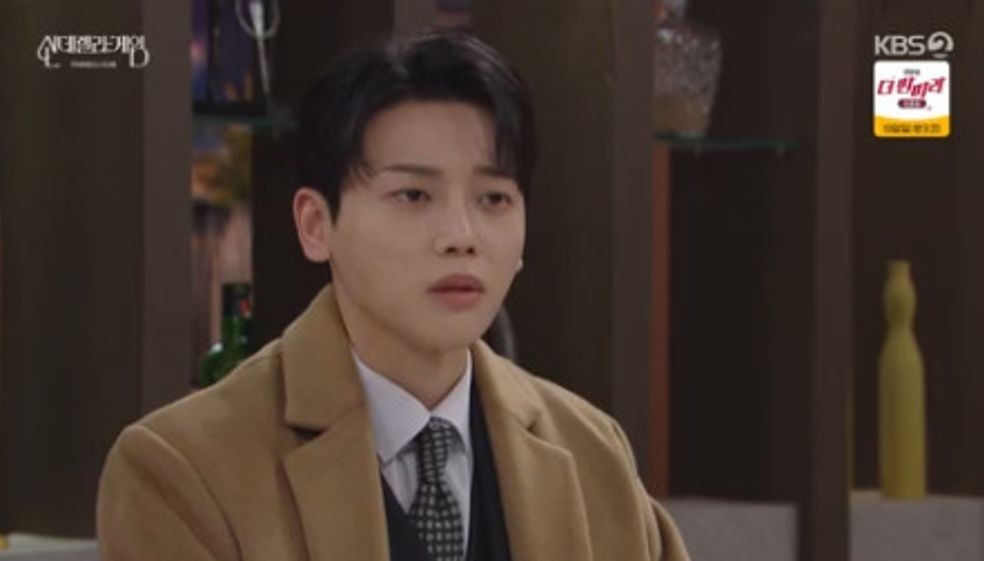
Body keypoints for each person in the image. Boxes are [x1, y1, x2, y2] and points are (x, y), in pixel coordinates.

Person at [97, 31, 689, 561]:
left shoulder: (593, 453)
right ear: (315, 224)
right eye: (413, 195)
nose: (461, 236)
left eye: (493, 199)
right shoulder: (184, 470)